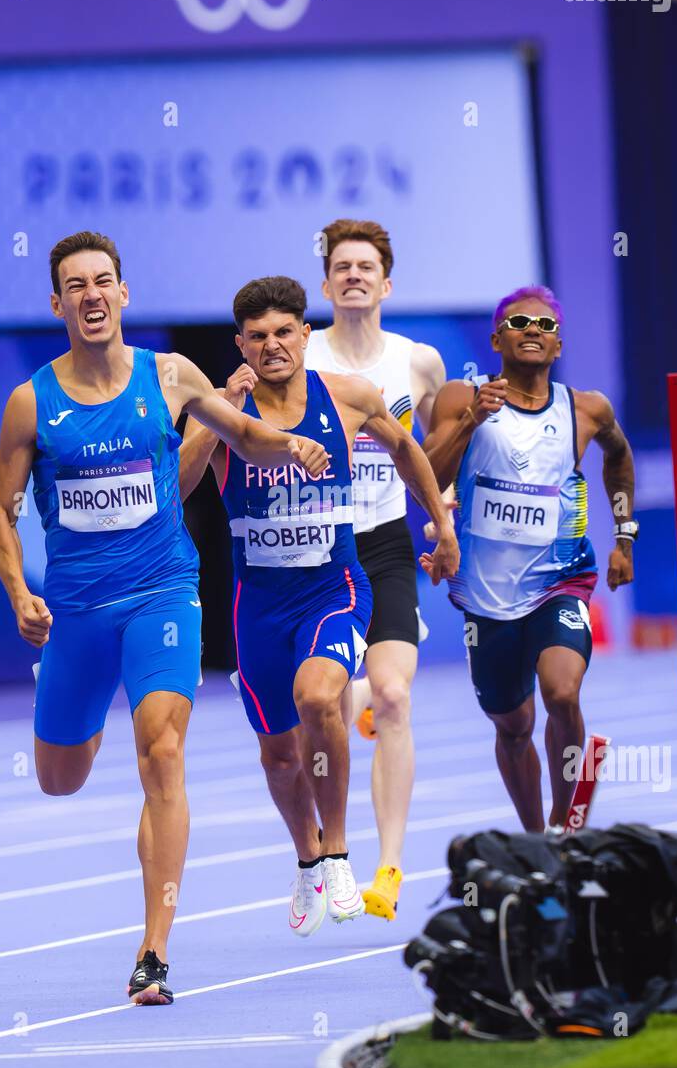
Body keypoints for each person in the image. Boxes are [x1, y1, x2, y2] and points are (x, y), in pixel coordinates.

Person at [0, 232, 328, 1005]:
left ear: (124, 294)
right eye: (76, 286)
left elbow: (243, 432)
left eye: (104, 282)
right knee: (59, 778)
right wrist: (18, 595)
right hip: (75, 613)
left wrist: (292, 445)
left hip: (163, 594)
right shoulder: (31, 403)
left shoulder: (168, 376)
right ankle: (87, 702)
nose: (93, 296)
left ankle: (154, 952)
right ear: (58, 304)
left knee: (163, 752)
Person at [178, 276, 458, 936]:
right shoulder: (223, 412)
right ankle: (306, 856)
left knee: (319, 697)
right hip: (257, 605)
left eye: (284, 332)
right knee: (277, 754)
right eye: (258, 336)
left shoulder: (348, 397)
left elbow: (408, 450)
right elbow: (182, 484)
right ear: (240, 342)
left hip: (334, 588)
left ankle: (337, 851)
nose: (273, 345)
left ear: (306, 333)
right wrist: (221, 407)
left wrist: (442, 527)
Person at [424, 285, 636, 833]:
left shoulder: (586, 409)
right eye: (519, 322)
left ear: (558, 343)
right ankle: (536, 839)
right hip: (486, 596)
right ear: (497, 338)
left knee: (562, 692)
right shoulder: (458, 397)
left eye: (544, 325)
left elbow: (619, 456)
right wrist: (470, 420)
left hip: (560, 581)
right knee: (512, 725)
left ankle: (567, 827)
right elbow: (425, 477)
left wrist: (625, 536)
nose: (532, 331)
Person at [302, 219, 447, 922]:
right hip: (317, 547)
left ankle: (388, 869)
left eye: (366, 267)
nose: (354, 275)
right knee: (323, 703)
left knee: (393, 695)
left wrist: (441, 504)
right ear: (325, 284)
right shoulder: (301, 355)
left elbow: (431, 444)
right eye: (342, 267)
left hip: (385, 542)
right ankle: (329, 853)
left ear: (386, 283)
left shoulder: (417, 362)